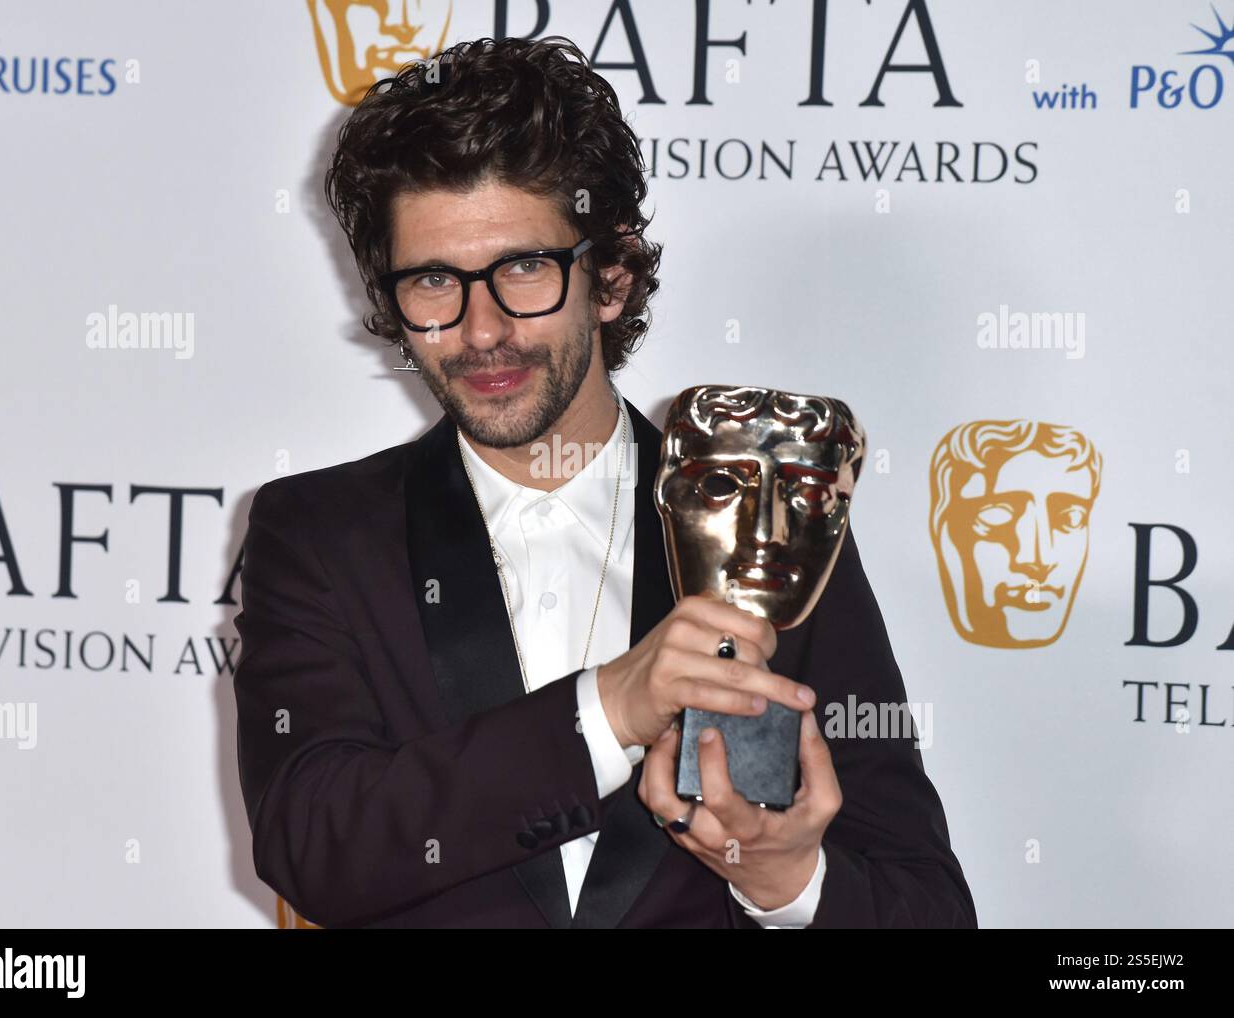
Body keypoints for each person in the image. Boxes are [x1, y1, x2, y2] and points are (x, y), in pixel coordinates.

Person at [232, 35, 976, 929]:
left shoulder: (770, 523)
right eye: (435, 281)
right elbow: (313, 843)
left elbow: (926, 909)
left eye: (523, 270)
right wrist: (613, 706)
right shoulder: (319, 533)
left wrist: (787, 882)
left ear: (612, 278)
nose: (480, 330)